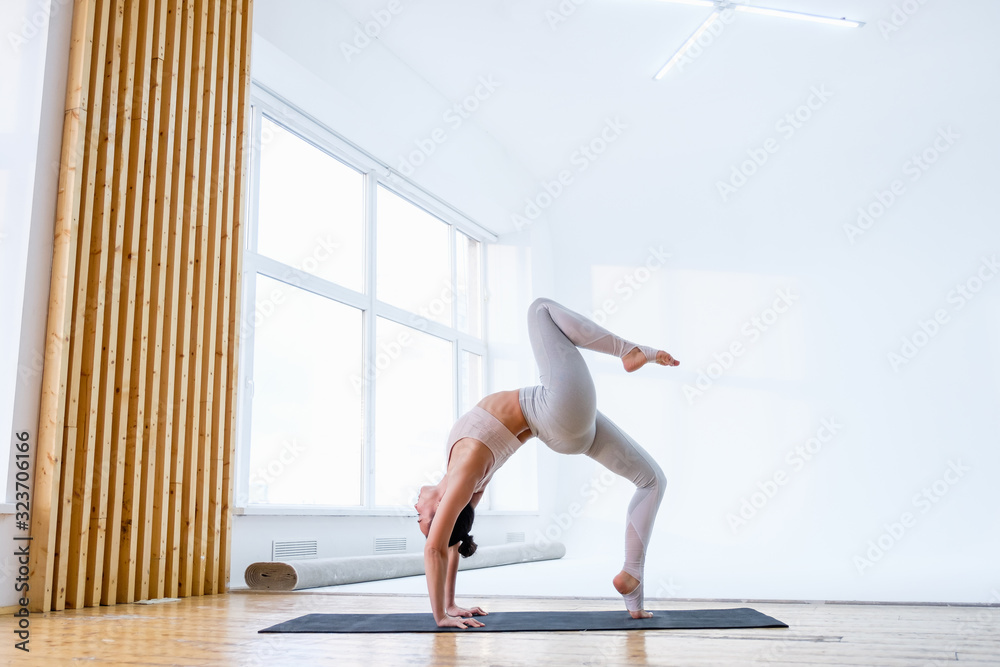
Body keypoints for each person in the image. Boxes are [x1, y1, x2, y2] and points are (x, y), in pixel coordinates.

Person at [415, 297, 679, 629]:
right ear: (441, 506)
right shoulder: (464, 472)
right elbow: (436, 549)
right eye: (422, 517)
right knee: (539, 309)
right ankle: (630, 351)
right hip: (557, 409)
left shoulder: (467, 486)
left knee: (652, 480)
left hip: (563, 429)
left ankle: (632, 580)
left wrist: (451, 603)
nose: (415, 507)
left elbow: (450, 544)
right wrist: (440, 616)